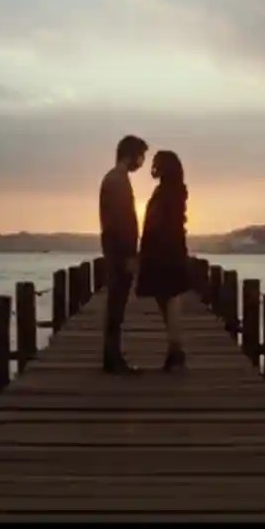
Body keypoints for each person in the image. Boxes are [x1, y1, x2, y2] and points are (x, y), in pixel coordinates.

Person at [135, 150, 191, 372]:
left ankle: (176, 351)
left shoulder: (170, 192)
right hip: (165, 251)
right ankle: (174, 349)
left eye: (157, 164)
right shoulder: (172, 190)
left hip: (165, 252)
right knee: (166, 299)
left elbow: (161, 223)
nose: (153, 168)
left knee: (170, 299)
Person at [99, 134, 148, 374]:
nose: (142, 162)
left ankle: (112, 355)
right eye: (141, 157)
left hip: (114, 249)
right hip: (119, 251)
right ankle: (112, 358)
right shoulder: (118, 181)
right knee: (116, 305)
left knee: (116, 304)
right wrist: (130, 254)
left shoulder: (114, 178)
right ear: (131, 155)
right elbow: (122, 221)